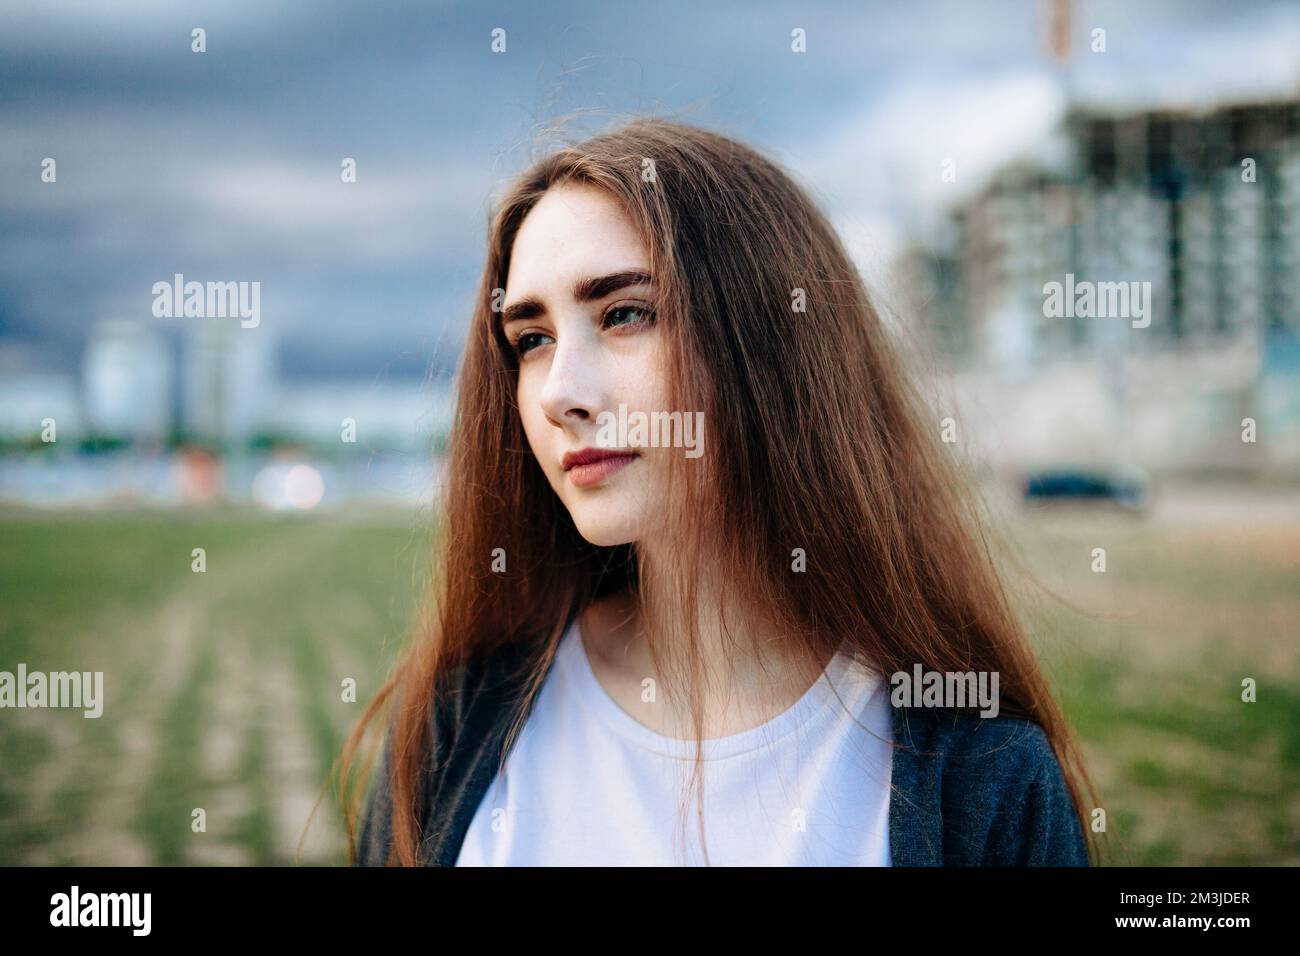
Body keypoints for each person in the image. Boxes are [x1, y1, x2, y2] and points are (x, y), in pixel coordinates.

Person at [341, 116, 1097, 866]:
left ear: (774, 343)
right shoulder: (457, 720)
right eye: (532, 339)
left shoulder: (978, 769)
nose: (557, 393)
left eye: (625, 313)